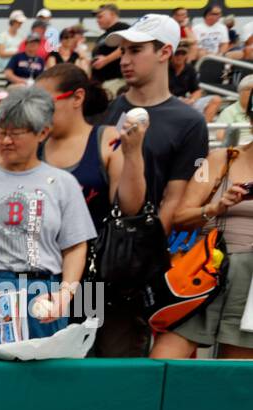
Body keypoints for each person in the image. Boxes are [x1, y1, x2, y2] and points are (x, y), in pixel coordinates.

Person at [0, 86, 97, 341]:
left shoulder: (62, 183)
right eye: (1, 133)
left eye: (15, 134)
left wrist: (66, 293)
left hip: (44, 294)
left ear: (42, 133)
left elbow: (75, 246)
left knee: (42, 376)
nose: (5, 141)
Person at [99, 13, 208, 355]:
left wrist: (139, 258)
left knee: (125, 361)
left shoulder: (189, 121)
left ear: (165, 52)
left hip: (143, 268)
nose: (126, 60)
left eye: (136, 50)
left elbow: (176, 198)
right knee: (80, 352)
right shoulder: (106, 110)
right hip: (91, 263)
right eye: (123, 52)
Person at [151, 143, 253, 359]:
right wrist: (216, 207)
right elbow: (180, 217)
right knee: (164, 359)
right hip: (205, 269)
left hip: (250, 281)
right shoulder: (222, 159)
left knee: (236, 374)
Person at [38, 63, 146, 232]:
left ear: (77, 98)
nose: (38, 111)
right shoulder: (35, 142)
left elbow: (129, 208)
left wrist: (133, 152)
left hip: (95, 251)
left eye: (45, 103)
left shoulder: (108, 140)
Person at [90, 3, 129, 85]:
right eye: (96, 17)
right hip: (100, 82)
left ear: (112, 14)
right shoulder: (102, 36)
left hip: (116, 80)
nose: (97, 20)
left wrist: (106, 59)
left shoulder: (123, 28)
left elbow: (127, 47)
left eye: (100, 16)